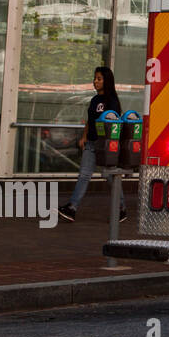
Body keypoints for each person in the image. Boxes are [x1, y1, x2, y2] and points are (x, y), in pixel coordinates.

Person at [58, 67, 125, 223]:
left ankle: (121, 209)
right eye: (95, 78)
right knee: (84, 175)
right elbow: (91, 120)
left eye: (99, 79)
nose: (95, 81)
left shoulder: (112, 101)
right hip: (92, 144)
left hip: (106, 146)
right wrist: (84, 137)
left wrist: (110, 145)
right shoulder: (95, 100)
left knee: (111, 178)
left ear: (106, 81)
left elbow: (113, 123)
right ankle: (72, 208)